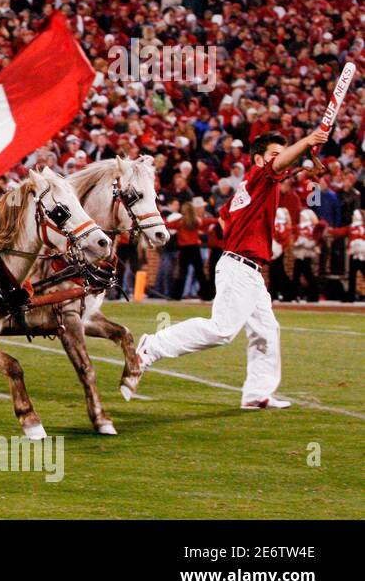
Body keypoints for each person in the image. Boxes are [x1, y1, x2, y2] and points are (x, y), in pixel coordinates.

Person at [134, 128, 330, 410]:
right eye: (273, 154)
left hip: (244, 267)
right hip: (240, 265)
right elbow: (279, 165)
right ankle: (152, 346)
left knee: (266, 330)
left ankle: (256, 394)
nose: (278, 159)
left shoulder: (251, 185)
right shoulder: (261, 176)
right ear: (259, 159)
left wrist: (304, 159)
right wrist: (308, 141)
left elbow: (224, 220)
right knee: (222, 330)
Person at [327, 210, 365, 301]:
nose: (352, 217)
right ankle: (350, 296)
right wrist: (329, 230)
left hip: (363, 254)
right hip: (353, 254)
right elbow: (340, 232)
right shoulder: (351, 227)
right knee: (352, 276)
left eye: (354, 215)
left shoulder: (363, 227)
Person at [289, 208, 323, 301]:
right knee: (298, 275)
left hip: (306, 254)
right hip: (299, 254)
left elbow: (313, 241)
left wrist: (302, 243)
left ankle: (311, 295)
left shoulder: (311, 228)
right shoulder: (299, 227)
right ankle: (295, 295)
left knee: (307, 276)